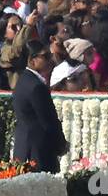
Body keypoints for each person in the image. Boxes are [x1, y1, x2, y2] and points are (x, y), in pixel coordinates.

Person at [11, 41, 67, 172]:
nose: (50, 60)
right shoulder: (37, 86)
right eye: (45, 56)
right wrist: (61, 145)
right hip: (38, 152)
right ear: (32, 60)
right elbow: (48, 121)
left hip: (23, 148)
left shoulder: (23, 80)